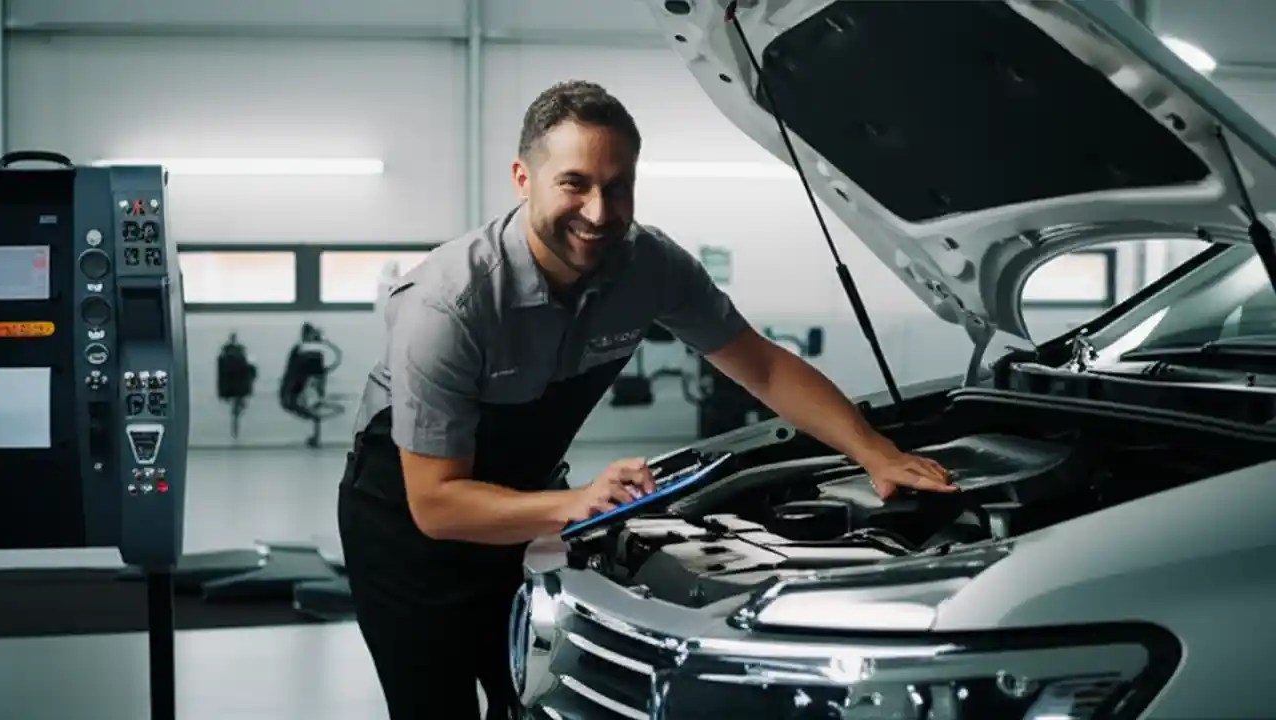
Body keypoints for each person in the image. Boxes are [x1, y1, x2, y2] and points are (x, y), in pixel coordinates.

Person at [336, 79, 954, 720]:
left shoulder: (650, 267)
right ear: (524, 178)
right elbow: (436, 504)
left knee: (532, 692)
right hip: (407, 528)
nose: (599, 212)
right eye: (574, 183)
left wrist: (876, 453)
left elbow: (764, 367)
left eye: (618, 185)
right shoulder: (450, 303)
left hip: (529, 505)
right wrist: (574, 505)